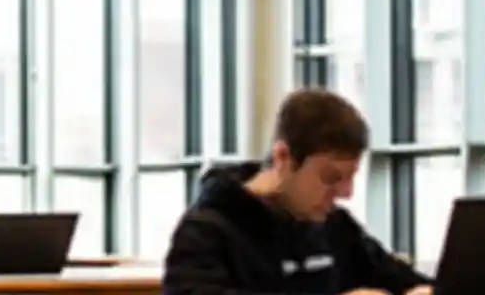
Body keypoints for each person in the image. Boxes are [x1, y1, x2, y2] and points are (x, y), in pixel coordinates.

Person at [163, 89, 433, 295]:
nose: (345, 193)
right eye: (330, 178)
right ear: (283, 158)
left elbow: (402, 280)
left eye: (350, 179)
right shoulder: (205, 234)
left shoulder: (336, 229)